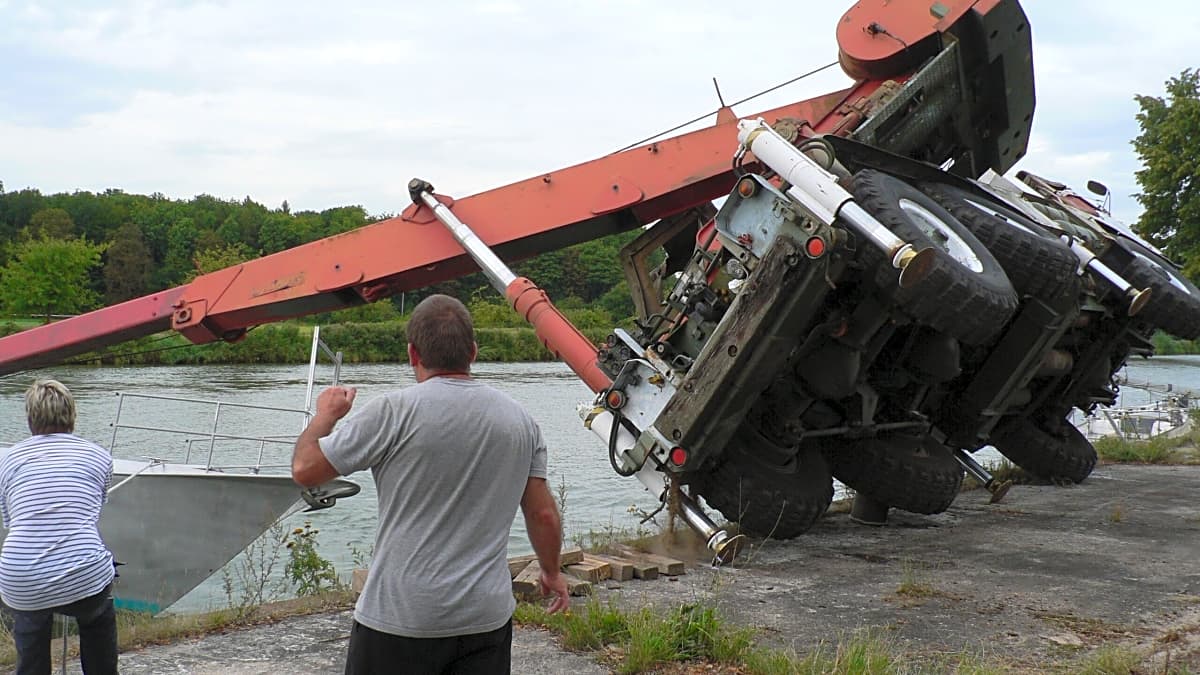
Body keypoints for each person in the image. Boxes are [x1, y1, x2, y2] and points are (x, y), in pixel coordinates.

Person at [292, 294, 569, 674]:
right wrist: (551, 572)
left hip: (400, 617)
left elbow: (305, 469)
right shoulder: (521, 421)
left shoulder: (392, 411)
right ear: (473, 351)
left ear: (412, 354)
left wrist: (326, 416)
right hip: (484, 618)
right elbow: (541, 512)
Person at [0, 379, 118, 675]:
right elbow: (91, 513)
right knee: (97, 614)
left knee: (30, 620)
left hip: (21, 576)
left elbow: (12, 520)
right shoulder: (99, 456)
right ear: (72, 414)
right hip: (82, 573)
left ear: (29, 419)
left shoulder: (7, 460)